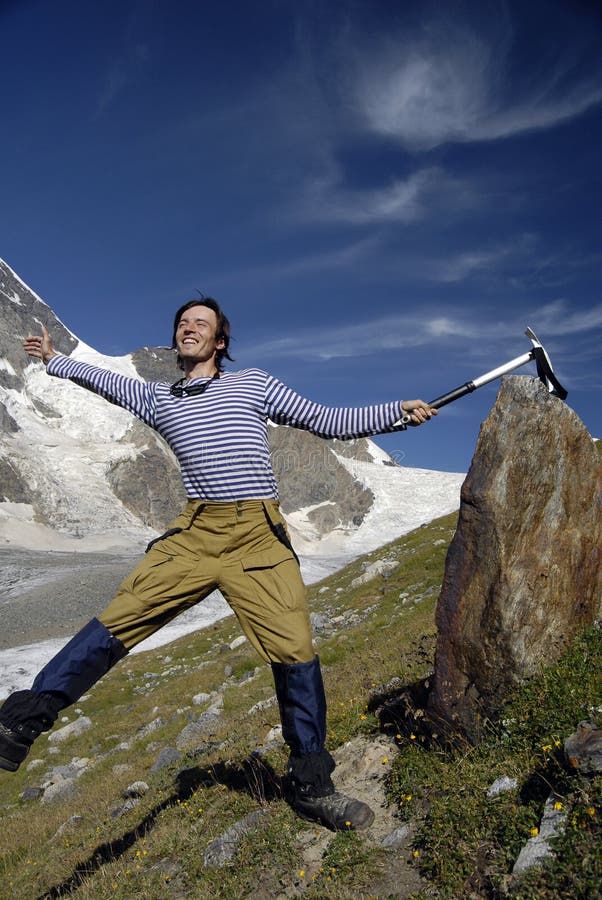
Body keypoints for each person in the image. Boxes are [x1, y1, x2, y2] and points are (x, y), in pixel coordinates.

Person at [0, 298, 436, 830]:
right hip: (196, 534)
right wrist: (52, 357)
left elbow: (327, 420)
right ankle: (21, 723)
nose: (189, 329)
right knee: (118, 619)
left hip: (258, 537)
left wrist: (396, 413)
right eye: (183, 323)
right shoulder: (158, 398)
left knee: (296, 649)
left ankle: (311, 784)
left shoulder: (253, 383)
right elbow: (104, 382)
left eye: (200, 324)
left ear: (219, 342)